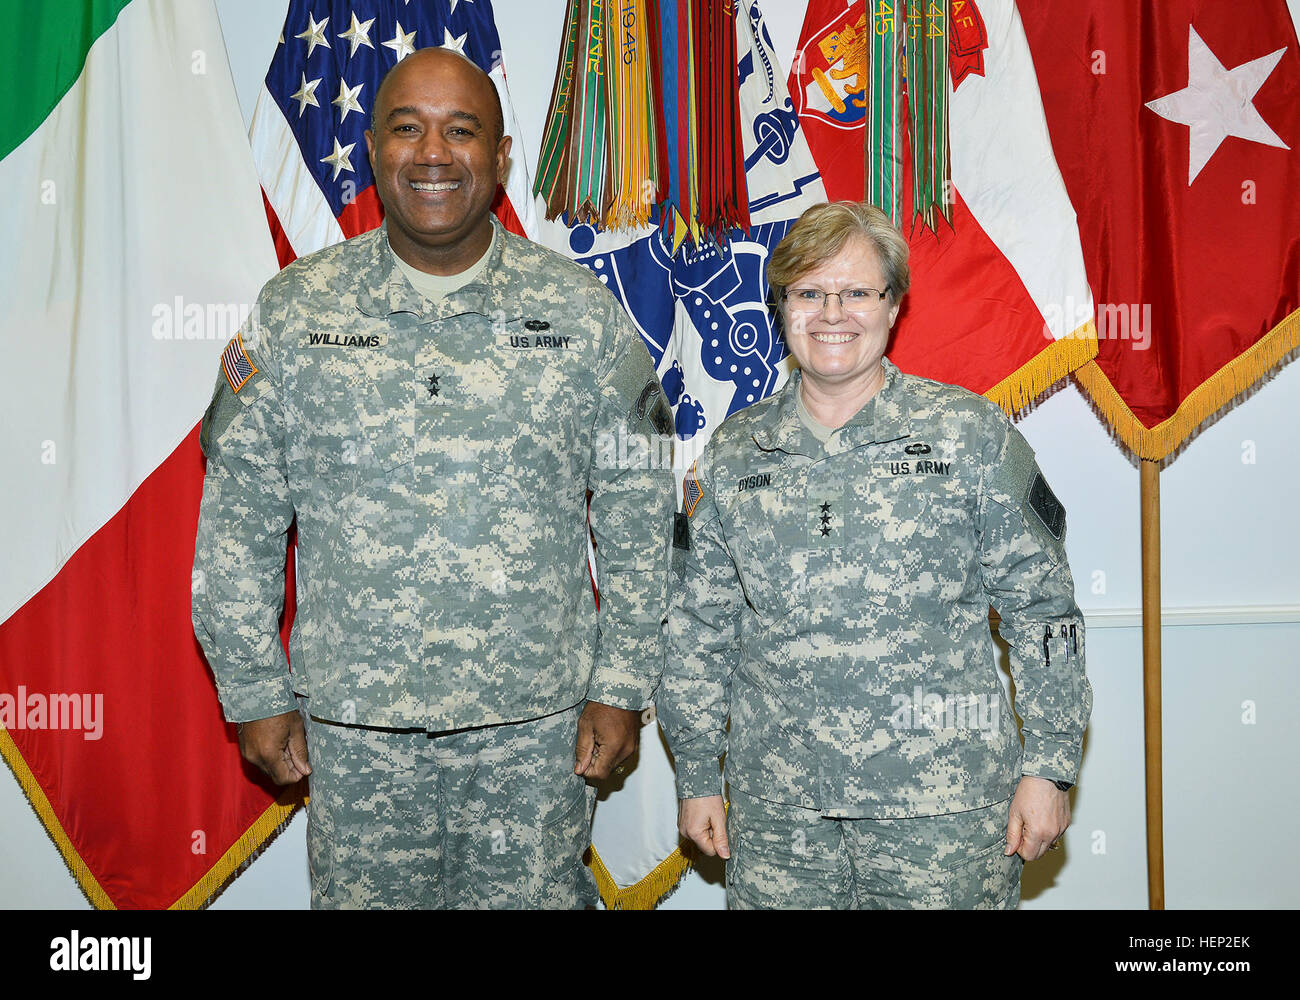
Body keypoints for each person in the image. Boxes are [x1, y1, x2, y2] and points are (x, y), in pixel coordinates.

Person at [193, 48, 675, 909]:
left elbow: (641, 509)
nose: (433, 153)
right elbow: (238, 521)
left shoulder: (577, 314)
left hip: (536, 731)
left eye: (462, 131)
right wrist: (255, 691)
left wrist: (621, 685)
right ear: (375, 147)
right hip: (356, 728)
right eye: (408, 129)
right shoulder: (298, 310)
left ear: (499, 157)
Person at [657, 201, 1092, 909]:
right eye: (809, 293)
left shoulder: (969, 435)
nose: (833, 312)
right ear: (781, 307)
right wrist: (698, 774)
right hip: (780, 822)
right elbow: (697, 631)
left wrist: (1048, 767)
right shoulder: (732, 455)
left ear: (893, 306)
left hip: (944, 818)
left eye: (857, 291)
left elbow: (1044, 612)